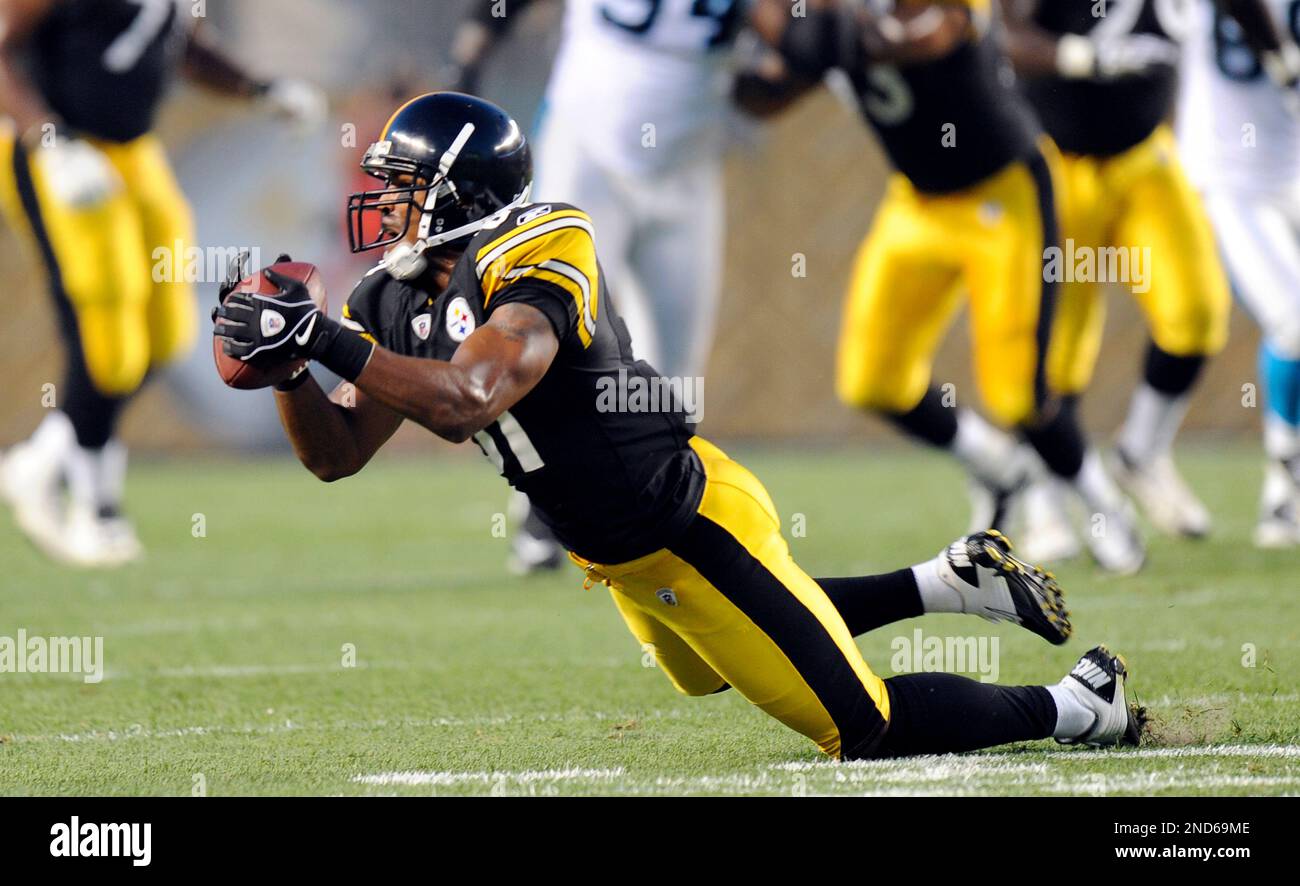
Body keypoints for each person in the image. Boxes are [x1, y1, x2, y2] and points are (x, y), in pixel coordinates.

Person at [213, 92, 1145, 760]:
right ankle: (947, 582)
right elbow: (335, 457)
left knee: (861, 728)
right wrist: (291, 368)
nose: (388, 208)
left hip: (685, 521)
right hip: (616, 548)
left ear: (459, 195)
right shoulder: (391, 294)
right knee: (714, 667)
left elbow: (472, 399)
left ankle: (1076, 706)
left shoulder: (544, 246)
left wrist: (324, 336)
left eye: (407, 187)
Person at [739, 0, 1145, 573]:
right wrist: (760, 67)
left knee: (1018, 393)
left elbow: (928, 35)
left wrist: (825, 34)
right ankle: (1000, 468)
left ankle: (1104, 505)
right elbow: (764, 96)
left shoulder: (876, 19)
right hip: (918, 202)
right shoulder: (833, 22)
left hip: (1003, 195)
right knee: (872, 380)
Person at [0, 0, 324, 566]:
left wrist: (257, 88)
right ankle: (96, 505)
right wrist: (47, 140)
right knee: (109, 332)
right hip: (58, 150)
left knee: (168, 330)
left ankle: (41, 458)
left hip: (133, 151)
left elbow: (181, 43)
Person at [1000, 0, 1231, 560]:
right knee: (1056, 347)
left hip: (1144, 157)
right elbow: (1004, 32)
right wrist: (1085, 56)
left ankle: (1141, 452)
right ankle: (1046, 500)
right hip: (1057, 160)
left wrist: (1281, 60)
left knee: (1196, 313)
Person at [1176, 0, 1300, 547]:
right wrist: (1280, 56)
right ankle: (1284, 486)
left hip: (1293, 166)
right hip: (1233, 178)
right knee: (1293, 323)